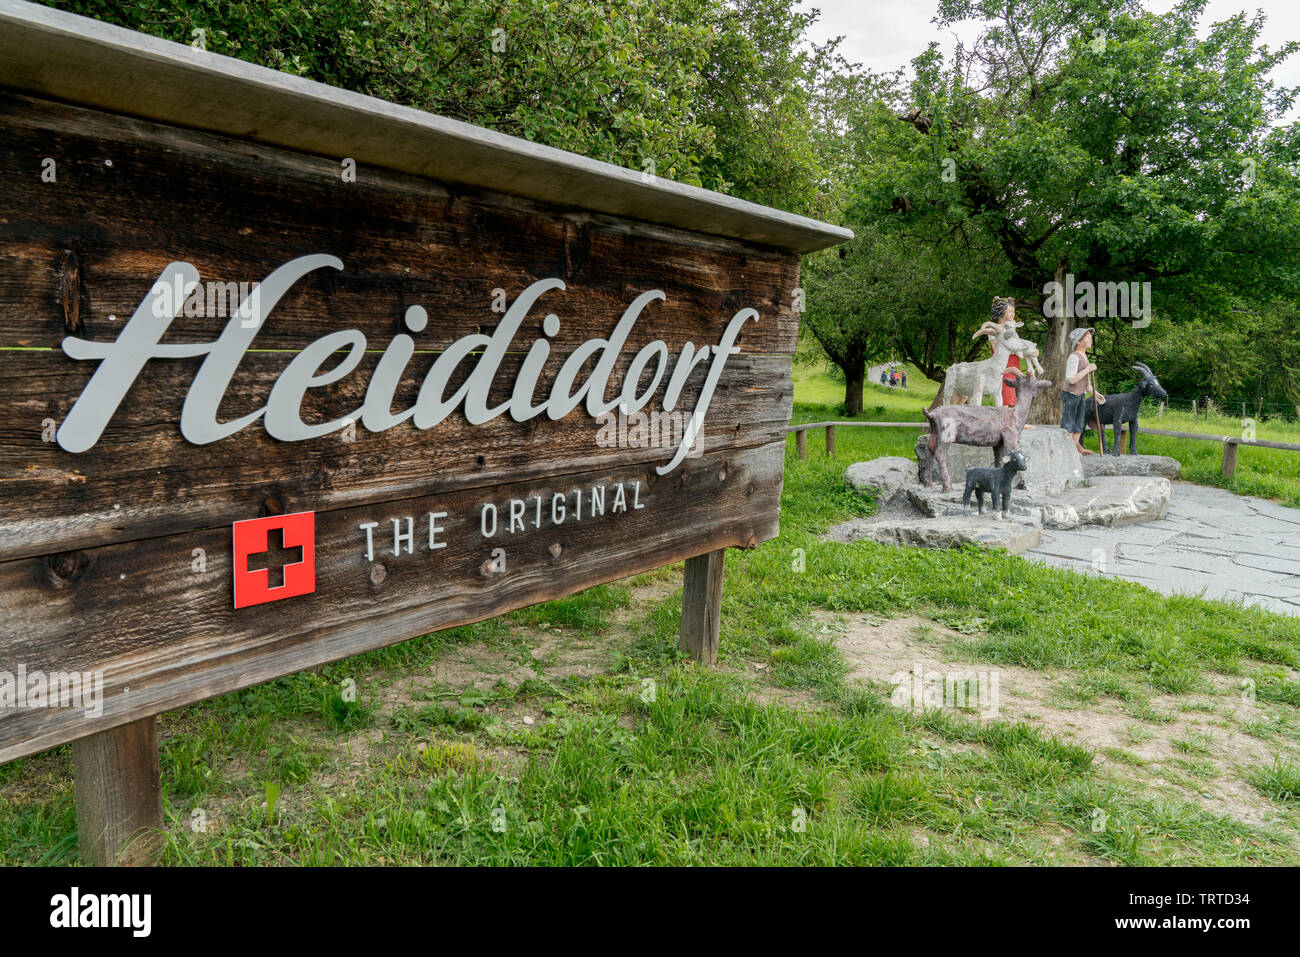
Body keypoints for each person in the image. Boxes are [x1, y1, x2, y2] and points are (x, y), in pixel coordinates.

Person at [1061, 327, 1104, 454]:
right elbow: (1070, 379)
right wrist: (1087, 370)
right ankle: (1068, 449)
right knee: (1069, 421)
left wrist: (1096, 394)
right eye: (1088, 338)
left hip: (1080, 395)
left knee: (1079, 422)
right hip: (1070, 394)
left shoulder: (1084, 357)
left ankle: (1076, 446)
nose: (1091, 340)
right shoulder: (1074, 357)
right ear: (1079, 341)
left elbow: (1085, 383)